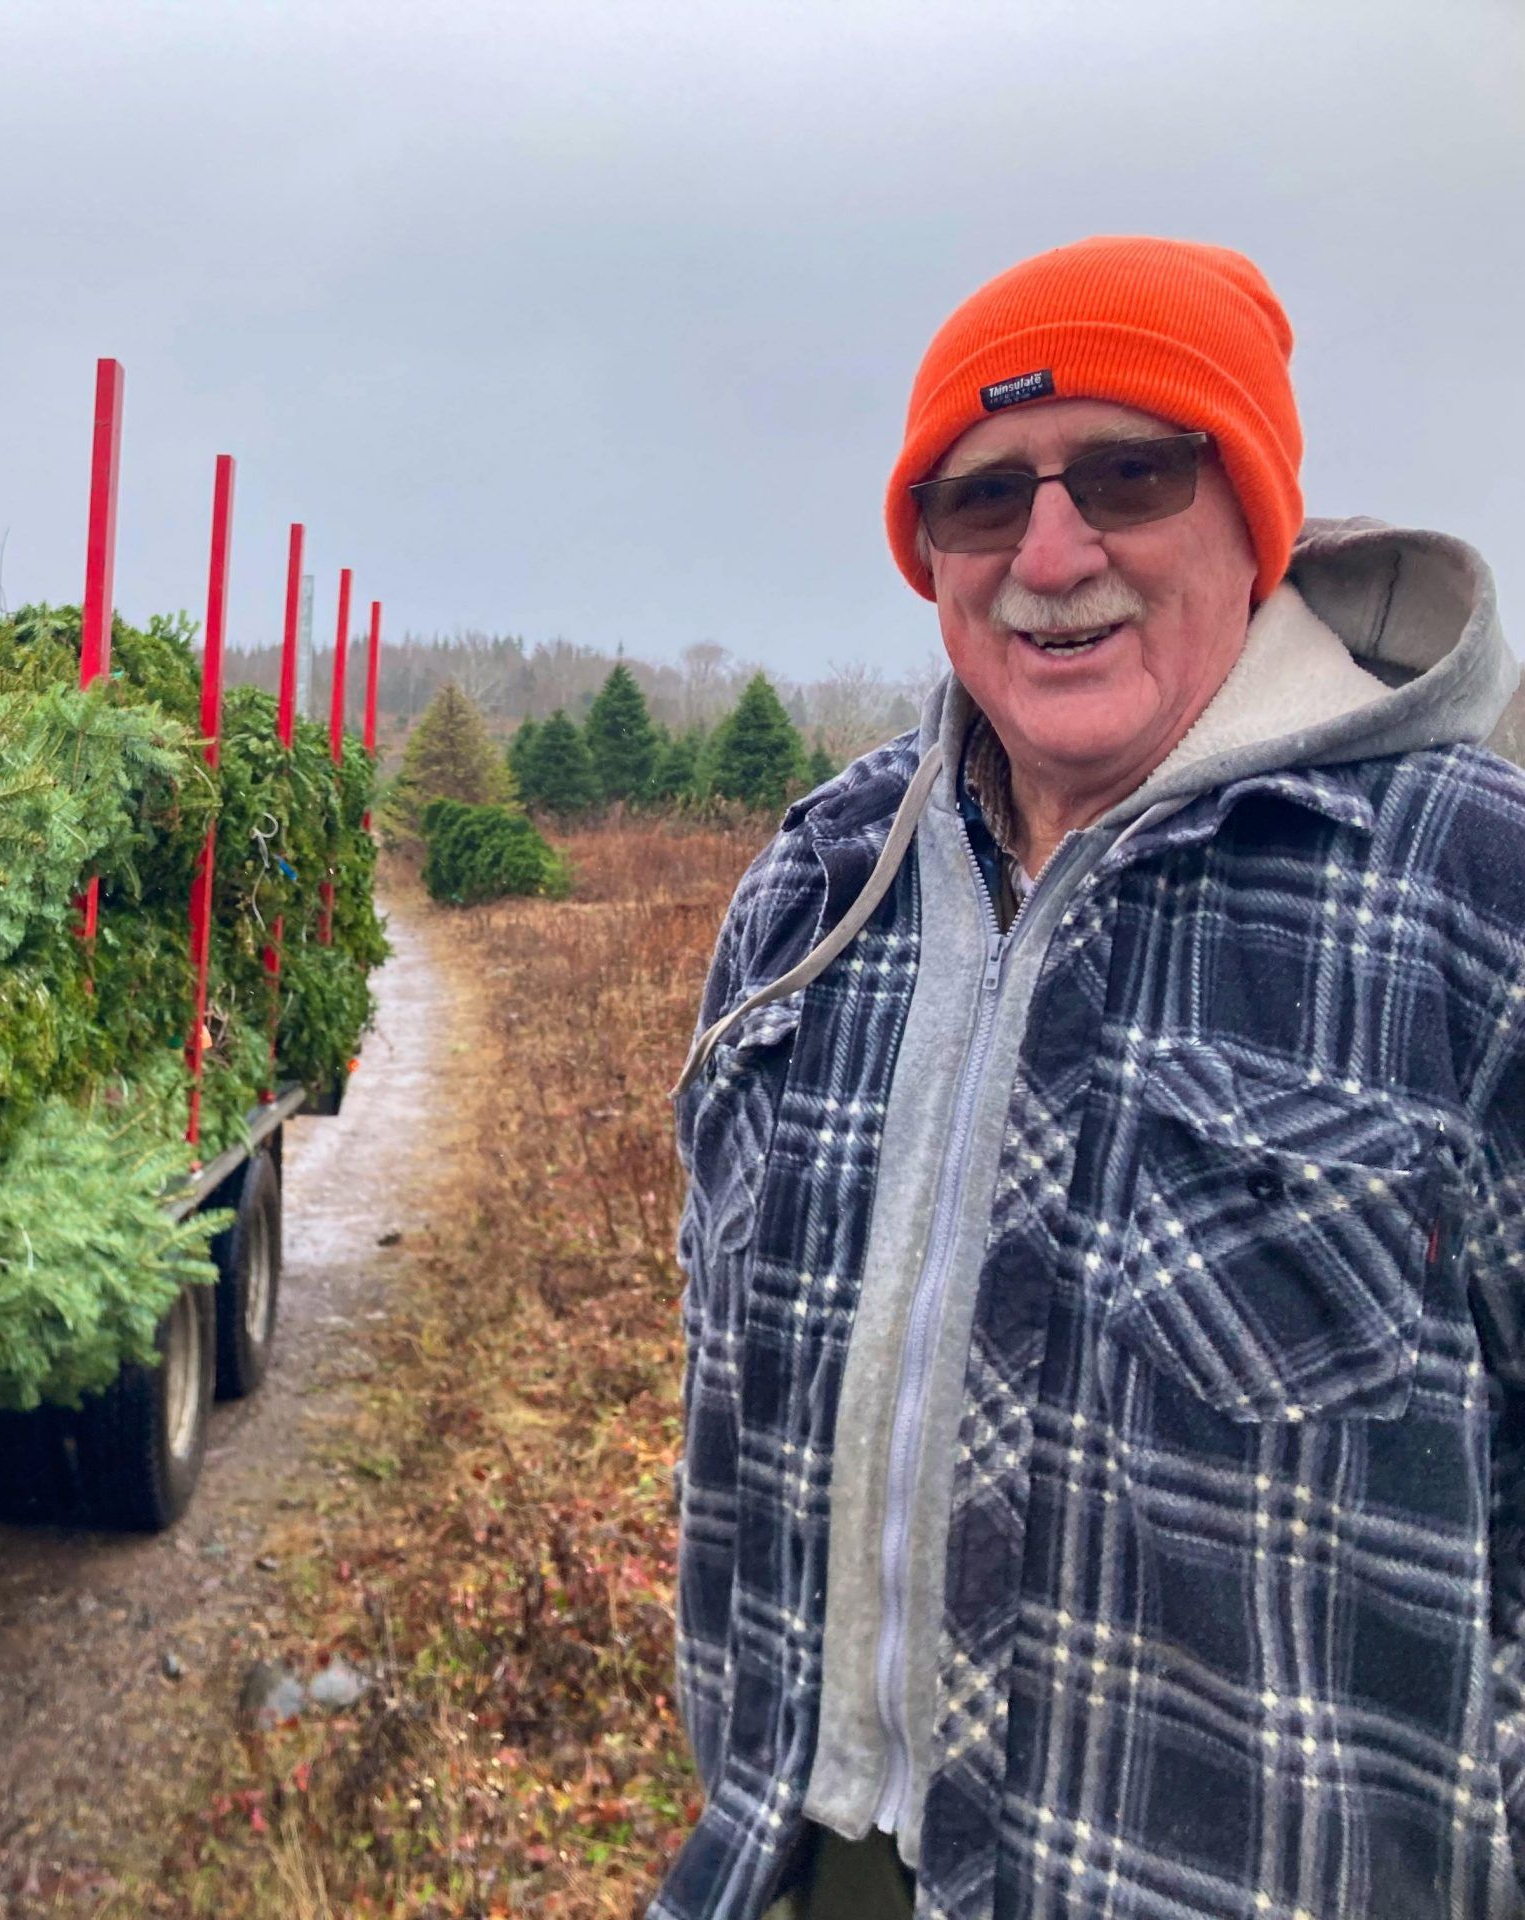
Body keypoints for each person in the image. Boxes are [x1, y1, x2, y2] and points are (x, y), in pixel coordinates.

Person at [648, 236, 1525, 1920]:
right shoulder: (820, 890)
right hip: (797, 1866)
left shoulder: (1462, 901)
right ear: (931, 556)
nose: (1054, 553)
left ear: (1253, 514)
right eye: (983, 500)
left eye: (1130, 473)